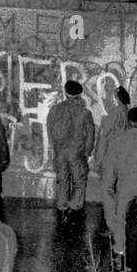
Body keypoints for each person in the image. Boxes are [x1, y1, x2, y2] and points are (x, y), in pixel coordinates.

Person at [100, 106, 137, 264]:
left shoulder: (117, 139)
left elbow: (110, 165)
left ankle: (119, 249)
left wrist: (110, 185)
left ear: (129, 121)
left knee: (120, 218)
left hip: (124, 184)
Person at [46, 80, 94, 224]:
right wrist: (87, 152)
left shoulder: (55, 109)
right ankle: (74, 208)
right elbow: (91, 135)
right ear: (79, 95)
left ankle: (61, 208)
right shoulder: (85, 113)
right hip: (77, 153)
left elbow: (49, 129)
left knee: (62, 180)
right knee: (79, 181)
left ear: (66, 93)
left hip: (60, 152)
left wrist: (54, 147)